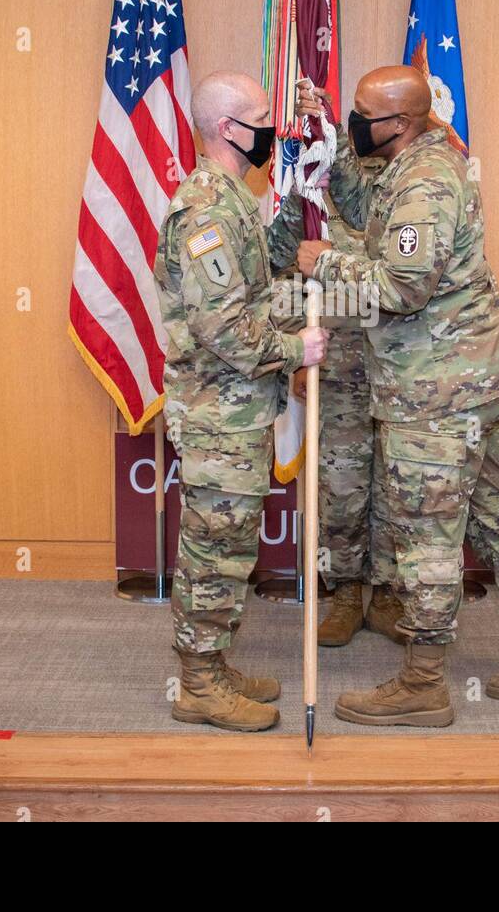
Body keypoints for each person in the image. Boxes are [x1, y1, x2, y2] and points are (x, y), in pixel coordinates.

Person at [296, 66, 499, 727]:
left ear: (398, 124)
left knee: (426, 533)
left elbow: (404, 288)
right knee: (491, 512)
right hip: (471, 376)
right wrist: (327, 139)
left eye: (362, 115)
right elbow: (367, 208)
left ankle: (424, 683)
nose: (355, 122)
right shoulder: (414, 163)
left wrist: (325, 263)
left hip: (438, 388)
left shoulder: (427, 180)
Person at [154, 70, 329, 732]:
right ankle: (197, 683)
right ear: (228, 129)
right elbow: (224, 328)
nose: (273, 130)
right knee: (213, 550)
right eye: (262, 118)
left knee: (229, 549)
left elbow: (259, 278)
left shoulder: (233, 199)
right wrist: (296, 352)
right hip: (217, 415)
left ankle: (214, 663)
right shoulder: (204, 212)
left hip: (238, 409)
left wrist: (302, 190)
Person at [266, 158, 405, 648]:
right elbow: (280, 279)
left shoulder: (398, 197)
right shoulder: (312, 199)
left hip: (399, 370)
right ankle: (344, 595)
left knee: (394, 487)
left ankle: (387, 596)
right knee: (340, 489)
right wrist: (295, 357)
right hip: (336, 369)